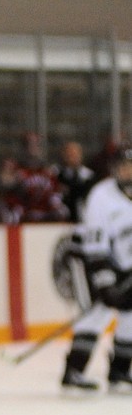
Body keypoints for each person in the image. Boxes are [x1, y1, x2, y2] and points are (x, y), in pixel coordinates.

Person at [60, 147, 132, 392]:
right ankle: (73, 373)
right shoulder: (102, 195)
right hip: (88, 260)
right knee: (97, 313)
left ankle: (119, 373)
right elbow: (95, 244)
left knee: (131, 316)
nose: (127, 171)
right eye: (122, 166)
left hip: (123, 265)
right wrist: (104, 280)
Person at [55, 140, 97, 224]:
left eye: (75, 153)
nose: (72, 156)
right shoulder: (55, 175)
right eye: (69, 153)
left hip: (85, 221)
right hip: (61, 222)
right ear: (63, 155)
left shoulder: (91, 176)